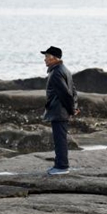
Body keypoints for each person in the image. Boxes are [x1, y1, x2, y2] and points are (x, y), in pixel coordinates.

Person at [41, 45, 79, 175]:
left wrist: (72, 110)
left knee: (60, 141)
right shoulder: (64, 70)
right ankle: (60, 165)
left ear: (55, 58)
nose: (45, 59)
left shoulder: (56, 72)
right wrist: (74, 107)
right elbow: (73, 91)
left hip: (59, 112)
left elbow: (66, 94)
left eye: (47, 56)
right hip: (61, 111)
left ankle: (62, 167)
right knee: (60, 140)